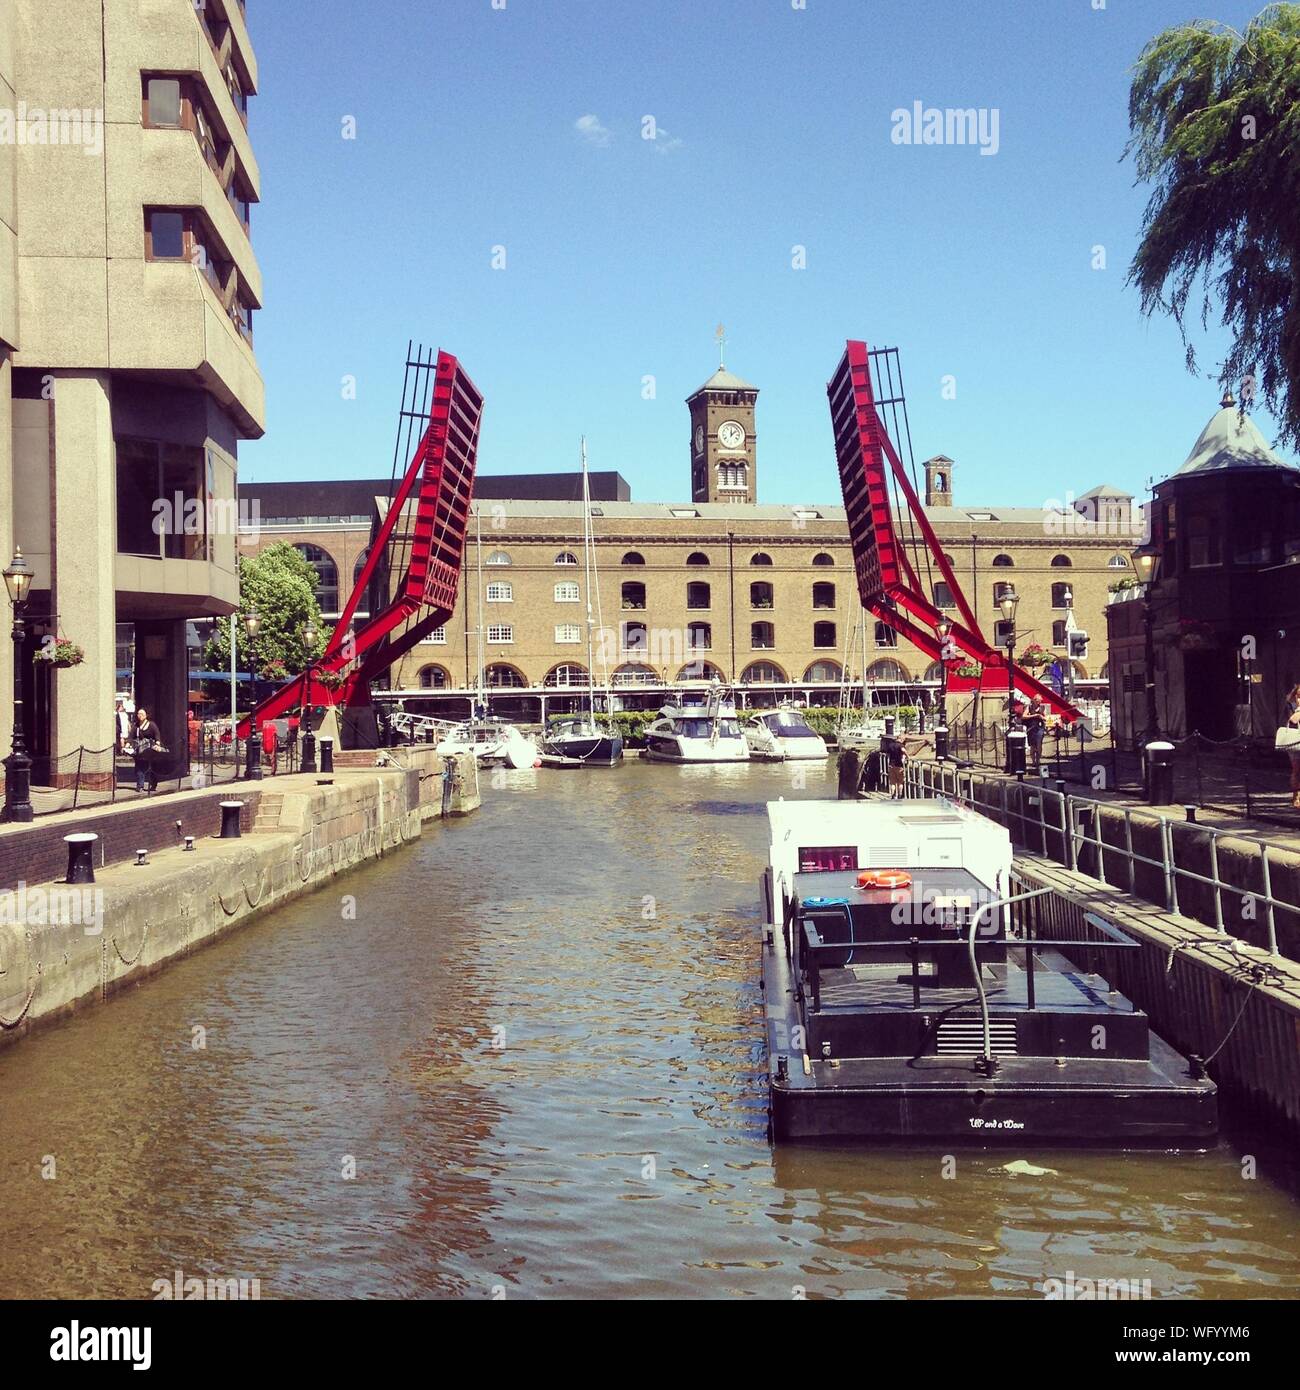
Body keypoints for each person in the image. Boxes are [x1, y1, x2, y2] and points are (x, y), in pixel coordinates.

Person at [882, 731, 930, 799]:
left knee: (893, 783)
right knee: (900, 782)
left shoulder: (891, 745)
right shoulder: (900, 745)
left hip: (891, 765)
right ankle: (899, 795)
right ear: (901, 739)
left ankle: (893, 795)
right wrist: (908, 756)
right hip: (899, 765)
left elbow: (887, 753)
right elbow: (903, 750)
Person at [132, 706, 163, 794]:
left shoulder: (152, 725)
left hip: (150, 749)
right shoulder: (136, 726)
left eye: (142, 714)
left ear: (146, 715)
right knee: (139, 767)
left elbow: (157, 735)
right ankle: (140, 786)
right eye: (138, 714)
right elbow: (131, 736)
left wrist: (157, 743)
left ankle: (154, 783)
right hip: (140, 749)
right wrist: (128, 743)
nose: (140, 715)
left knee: (151, 767)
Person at [1284, 684, 1300, 810]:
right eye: (1299, 695)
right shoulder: (1291, 706)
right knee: (1296, 769)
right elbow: (1293, 720)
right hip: (1295, 742)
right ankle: (1296, 796)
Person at [1023, 698, 1047, 772]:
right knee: (1032, 745)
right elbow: (1024, 716)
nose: (1039, 702)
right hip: (1031, 728)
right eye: (1037, 701)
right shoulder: (1029, 707)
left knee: (1039, 743)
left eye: (1040, 701)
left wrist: (1042, 717)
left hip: (1040, 727)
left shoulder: (1042, 707)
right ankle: (1033, 761)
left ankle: (1038, 760)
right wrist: (1034, 715)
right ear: (1034, 701)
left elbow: (1046, 718)